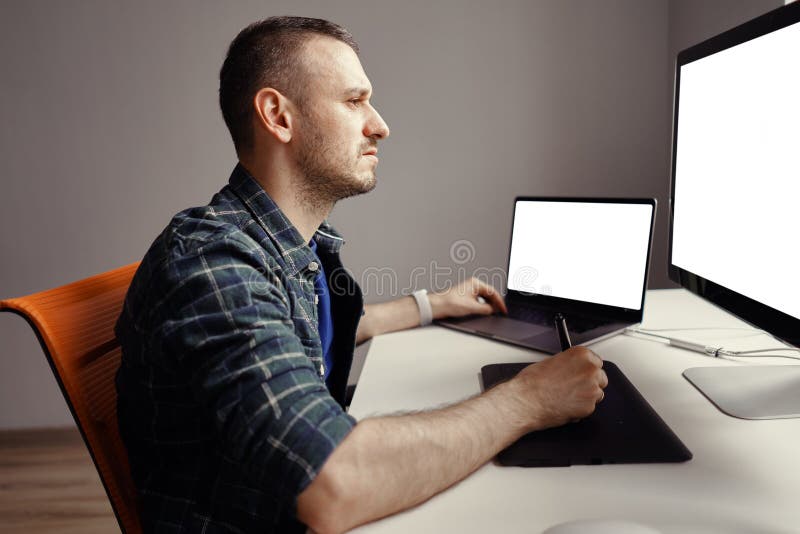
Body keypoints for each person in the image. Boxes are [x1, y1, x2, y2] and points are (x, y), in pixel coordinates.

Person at [115, 16, 608, 534]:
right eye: (354, 101)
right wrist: (529, 399)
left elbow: (306, 328)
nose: (379, 124)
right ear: (278, 116)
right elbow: (334, 484)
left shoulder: (281, 245)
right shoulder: (211, 262)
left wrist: (430, 304)